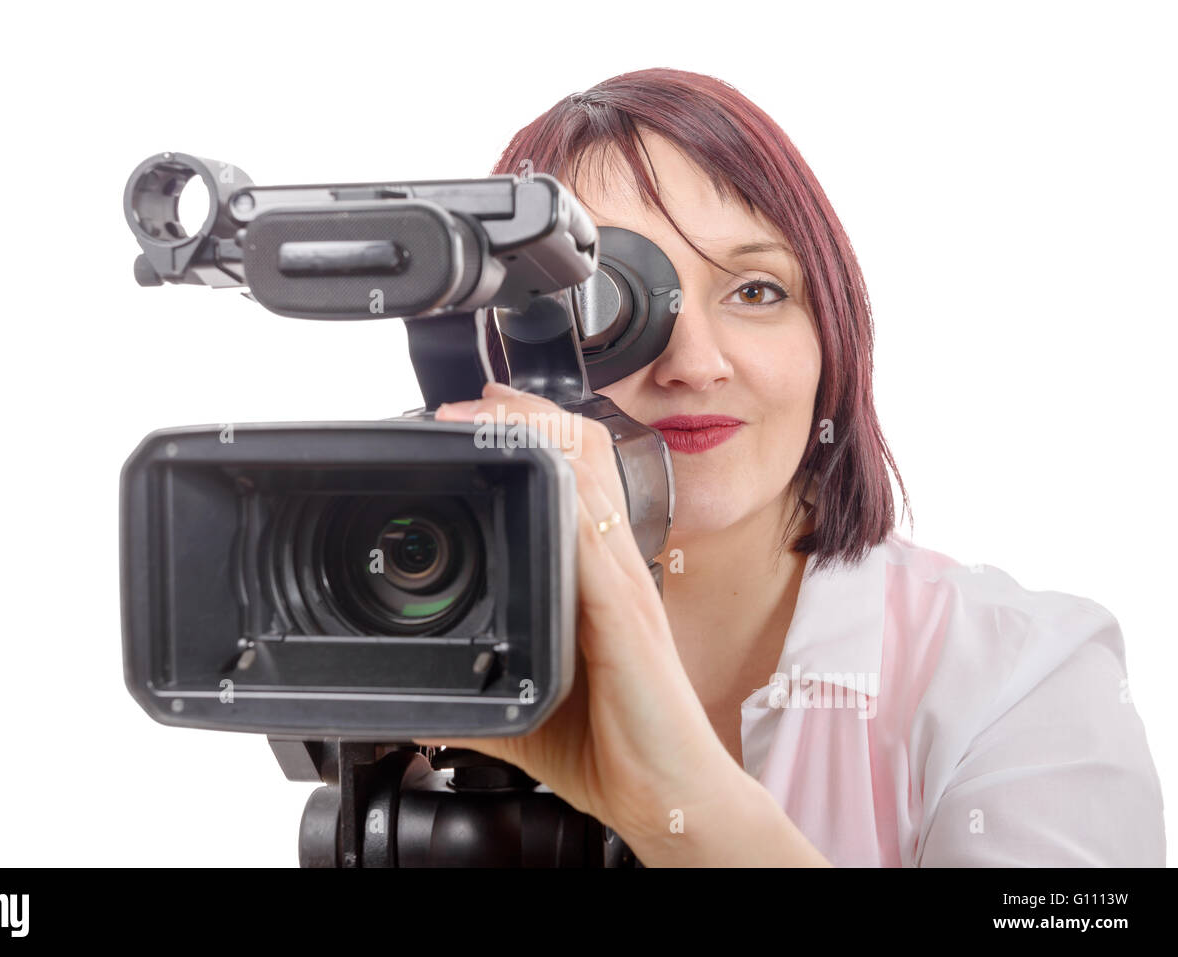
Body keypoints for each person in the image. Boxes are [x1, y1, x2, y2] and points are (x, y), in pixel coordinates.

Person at [416, 68, 1165, 867]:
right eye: (605, 305)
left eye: (755, 290)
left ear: (829, 332)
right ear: (506, 360)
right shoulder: (421, 640)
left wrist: (682, 802)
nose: (695, 364)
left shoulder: (1026, 681)